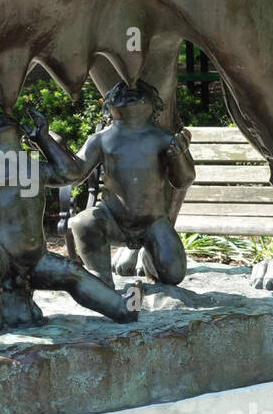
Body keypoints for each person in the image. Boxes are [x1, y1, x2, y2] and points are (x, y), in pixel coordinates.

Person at [0, 111, 138, 338]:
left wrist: (43, 138)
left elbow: (69, 174)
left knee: (74, 274)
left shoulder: (33, 168)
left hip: (36, 258)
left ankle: (122, 307)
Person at [24, 81, 195, 288]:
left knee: (173, 275)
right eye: (121, 92)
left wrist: (179, 157)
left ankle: (152, 258)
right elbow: (75, 174)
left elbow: (183, 181)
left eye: (139, 92)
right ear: (108, 107)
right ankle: (100, 276)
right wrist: (45, 141)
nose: (129, 94)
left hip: (153, 222)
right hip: (112, 218)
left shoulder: (163, 138)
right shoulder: (101, 140)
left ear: (155, 105)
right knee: (83, 223)